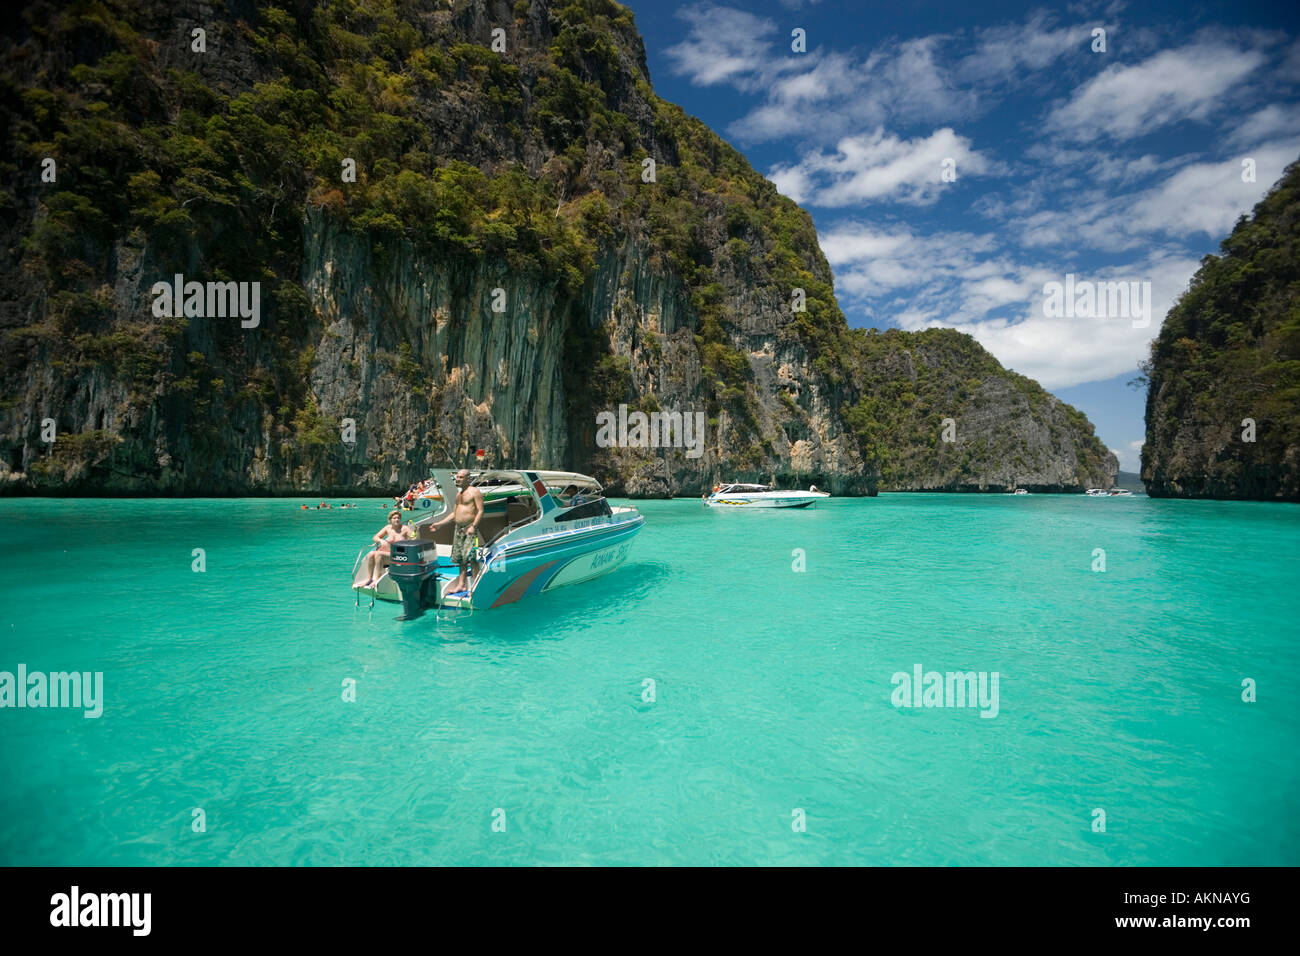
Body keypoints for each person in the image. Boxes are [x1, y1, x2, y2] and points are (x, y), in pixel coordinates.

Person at [430, 469, 484, 598]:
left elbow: (481, 511)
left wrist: (473, 526)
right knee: (460, 559)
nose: (458, 479)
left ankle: (476, 586)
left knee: (471, 558)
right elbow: (454, 513)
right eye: (457, 477)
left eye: (460, 477)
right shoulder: (459, 495)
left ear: (468, 478)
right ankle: (461, 585)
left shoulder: (474, 492)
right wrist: (439, 524)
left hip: (470, 528)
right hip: (458, 528)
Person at [357, 509, 416, 588]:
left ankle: (377, 579)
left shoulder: (405, 528)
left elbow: (414, 539)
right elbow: (375, 537)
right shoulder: (388, 528)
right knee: (371, 554)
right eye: (394, 518)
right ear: (390, 520)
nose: (397, 519)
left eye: (398, 518)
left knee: (379, 554)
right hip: (388, 554)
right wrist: (380, 540)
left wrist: (415, 531)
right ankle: (369, 578)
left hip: (400, 556)